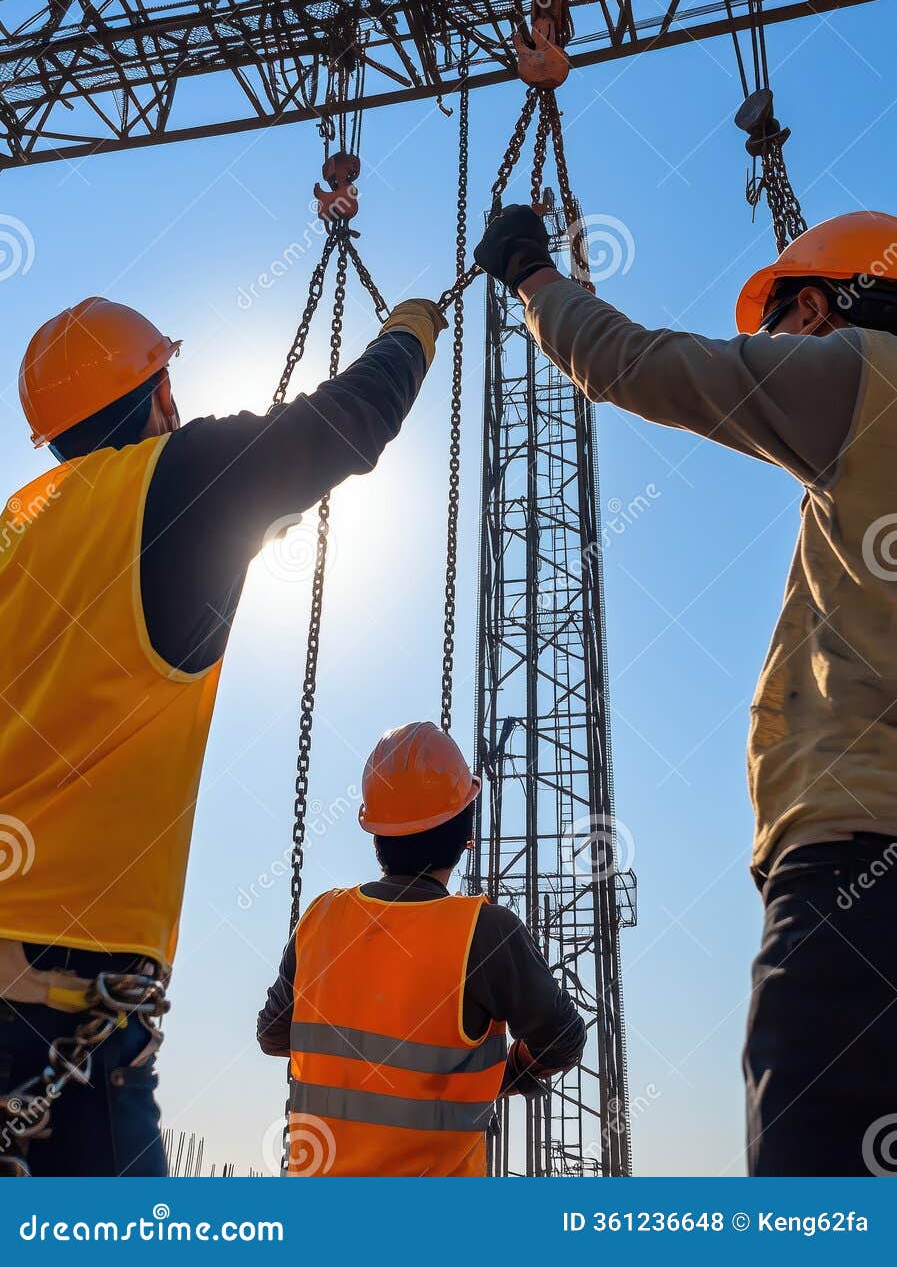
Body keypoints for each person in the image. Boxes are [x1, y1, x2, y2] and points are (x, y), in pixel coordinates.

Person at [474, 204, 897, 1178]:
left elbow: (638, 363)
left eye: (777, 331)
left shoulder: (854, 372)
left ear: (824, 308)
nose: (771, 355)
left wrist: (534, 278)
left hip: (858, 863)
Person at [0, 291, 446, 1176]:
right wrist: (413, 328)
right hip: (61, 1007)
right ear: (158, 393)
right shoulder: (175, 478)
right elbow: (348, 422)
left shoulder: (15, 534)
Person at [257, 721, 586, 1175]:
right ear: (465, 836)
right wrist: (496, 1076)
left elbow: (273, 1035)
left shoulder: (320, 919)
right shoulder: (485, 933)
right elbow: (562, 1040)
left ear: (376, 836)